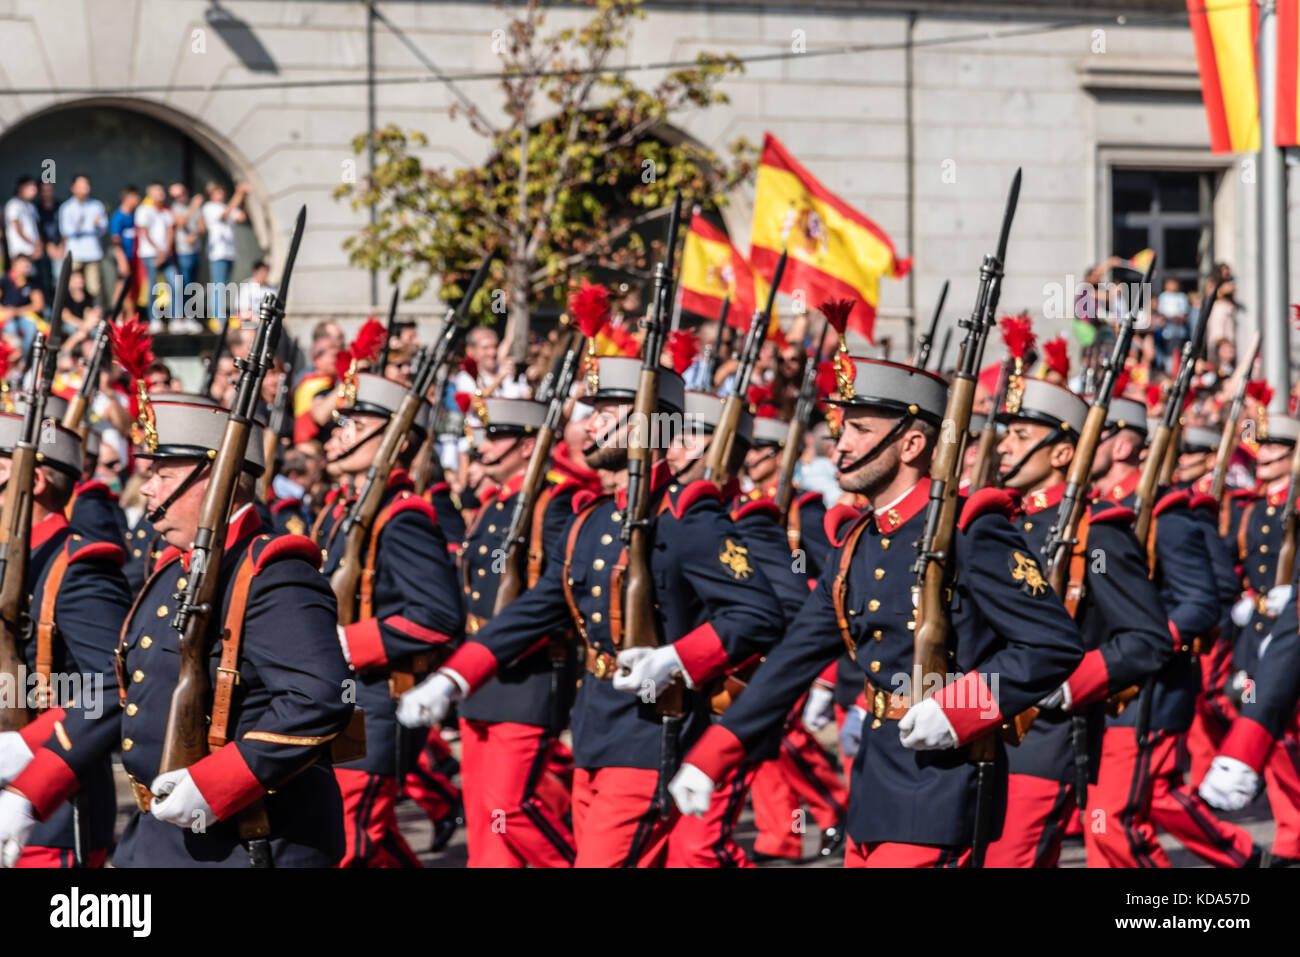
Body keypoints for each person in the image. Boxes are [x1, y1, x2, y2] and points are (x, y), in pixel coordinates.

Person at [668, 356, 1086, 867]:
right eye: (844, 429)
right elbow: (791, 661)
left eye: (860, 430)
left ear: (911, 445)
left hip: (945, 782)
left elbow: (1053, 644)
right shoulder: (858, 542)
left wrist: (962, 708)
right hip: (874, 778)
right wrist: (714, 754)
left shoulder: (970, 530)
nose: (839, 444)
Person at [399, 353, 786, 866]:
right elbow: (534, 610)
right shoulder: (592, 519)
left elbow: (758, 614)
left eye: (607, 412)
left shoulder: (687, 514)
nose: (591, 425)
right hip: (594, 730)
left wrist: (675, 658)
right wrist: (455, 677)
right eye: (593, 411)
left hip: (652, 737)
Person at [0, 397, 355, 867]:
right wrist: (33, 783)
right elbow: (121, 687)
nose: (146, 488)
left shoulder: (273, 572)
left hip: (248, 841)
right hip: (157, 837)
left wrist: (219, 782)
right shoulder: (171, 570)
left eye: (163, 475)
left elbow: (321, 698)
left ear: (215, 481)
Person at [981, 378, 1170, 867]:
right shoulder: (995, 525)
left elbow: (1147, 639)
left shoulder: (1097, 533)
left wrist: (1070, 684)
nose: (1004, 446)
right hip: (977, 728)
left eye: (1021, 437)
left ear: (1062, 453)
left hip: (1043, 739)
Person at [1081, 397, 1260, 867]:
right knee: (1107, 819)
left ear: (1121, 445)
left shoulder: (1165, 514)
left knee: (1114, 820)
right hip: (1098, 684)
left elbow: (1203, 601)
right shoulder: (1090, 510)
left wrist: (1146, 643)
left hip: (1145, 691)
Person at [321, 371, 463, 867]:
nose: (338, 433)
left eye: (356, 424)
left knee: (348, 844)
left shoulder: (401, 517)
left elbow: (439, 616)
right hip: (338, 703)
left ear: (398, 442)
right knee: (370, 846)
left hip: (372, 705)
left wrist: (347, 643)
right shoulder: (346, 511)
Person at [449, 395, 589, 867]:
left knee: (509, 805)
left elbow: (561, 590)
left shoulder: (557, 502)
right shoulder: (493, 504)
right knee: (484, 817)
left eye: (497, 436)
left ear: (529, 446)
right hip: (479, 674)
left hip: (526, 671)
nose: (484, 446)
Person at [0, 415, 130, 868]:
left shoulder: (78, 568)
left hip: (49, 818)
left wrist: (27, 747)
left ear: (32, 481)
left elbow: (115, 688)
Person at [201, 181, 250, 321]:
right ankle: (217, 319)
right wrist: (239, 193)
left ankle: (220, 317)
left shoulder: (226, 206)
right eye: (218, 192)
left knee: (224, 286)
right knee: (218, 286)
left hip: (229, 252)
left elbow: (241, 216)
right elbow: (225, 214)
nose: (221, 194)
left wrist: (243, 197)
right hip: (218, 252)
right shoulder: (209, 207)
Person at [134, 183, 178, 334]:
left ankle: (175, 319)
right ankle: (154, 319)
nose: (161, 193)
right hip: (149, 254)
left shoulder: (166, 211)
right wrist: (158, 250)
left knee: (175, 284)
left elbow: (171, 231)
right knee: (153, 286)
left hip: (165, 254)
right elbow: (145, 232)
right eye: (157, 191)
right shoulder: (143, 210)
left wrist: (165, 251)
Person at [57, 175, 108, 299]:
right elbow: (66, 231)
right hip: (74, 254)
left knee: (94, 288)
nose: (84, 188)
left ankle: (95, 315)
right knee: (72, 286)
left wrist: (96, 225)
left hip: (93, 253)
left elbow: (103, 229)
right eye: (81, 185)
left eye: (86, 185)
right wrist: (84, 226)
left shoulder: (97, 205)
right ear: (73, 188)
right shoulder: (67, 207)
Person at [0, 254, 47, 356]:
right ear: (14, 265)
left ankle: (24, 361)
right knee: (10, 327)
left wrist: (16, 312)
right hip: (6, 316)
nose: (27, 268)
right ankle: (13, 359)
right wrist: (5, 311)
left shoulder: (31, 283)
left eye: (28, 265)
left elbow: (39, 305)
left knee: (31, 327)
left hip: (23, 315)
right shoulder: (4, 281)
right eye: (24, 265)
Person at [168, 182, 204, 316]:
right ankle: (180, 316)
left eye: (181, 194)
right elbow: (181, 222)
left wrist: (195, 235)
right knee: (184, 285)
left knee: (193, 286)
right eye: (176, 196)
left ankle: (190, 317)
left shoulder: (195, 207)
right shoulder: (175, 208)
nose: (180, 198)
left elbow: (202, 227)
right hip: (183, 253)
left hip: (196, 250)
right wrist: (194, 206)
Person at [107, 185, 140, 319]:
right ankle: (118, 317)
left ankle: (126, 317)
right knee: (121, 288)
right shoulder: (118, 217)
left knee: (128, 288)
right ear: (128, 198)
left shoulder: (134, 216)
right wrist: (122, 261)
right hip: (122, 258)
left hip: (132, 259)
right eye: (135, 196)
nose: (138, 199)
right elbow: (116, 242)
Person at [5, 177, 42, 283]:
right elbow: (18, 229)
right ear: (21, 188)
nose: (34, 191)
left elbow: (36, 228)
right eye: (31, 187)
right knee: (19, 281)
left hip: (33, 252)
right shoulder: (13, 205)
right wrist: (34, 244)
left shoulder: (31, 206)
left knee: (33, 283)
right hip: (20, 252)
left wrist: (39, 245)